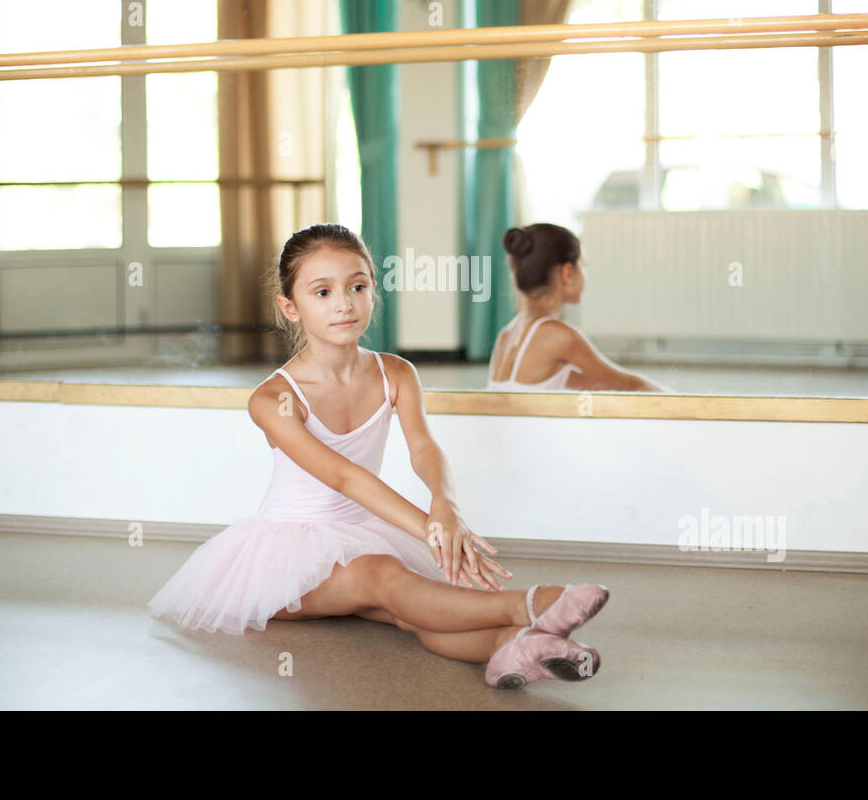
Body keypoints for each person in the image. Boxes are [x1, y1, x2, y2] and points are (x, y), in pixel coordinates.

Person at [148, 223, 609, 688]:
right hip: (286, 558)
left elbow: (425, 448)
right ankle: (533, 602)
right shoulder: (272, 399)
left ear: (373, 289)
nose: (344, 303)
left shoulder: (396, 373)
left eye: (357, 286)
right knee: (383, 577)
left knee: (409, 612)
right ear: (290, 307)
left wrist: (444, 505)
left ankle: (516, 647)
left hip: (360, 535)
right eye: (322, 292)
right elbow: (345, 478)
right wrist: (432, 532)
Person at [488, 223, 672, 393]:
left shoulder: (505, 335)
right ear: (567, 272)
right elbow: (629, 384)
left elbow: (597, 383)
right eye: (583, 264)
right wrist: (679, 401)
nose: (585, 272)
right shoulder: (560, 336)